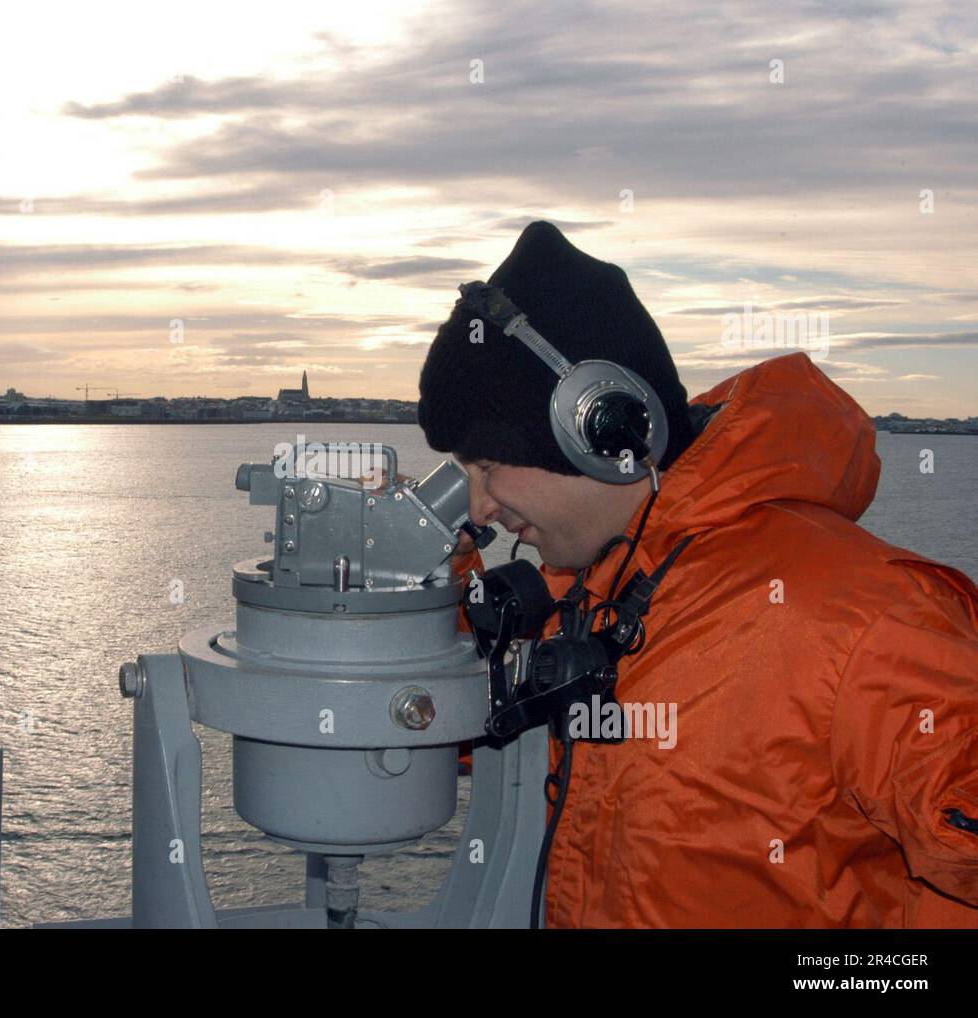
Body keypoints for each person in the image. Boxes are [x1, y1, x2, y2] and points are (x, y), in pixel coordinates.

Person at [418, 221, 978, 927]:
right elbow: (465, 718)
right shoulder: (594, 594)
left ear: (598, 432)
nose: (479, 506)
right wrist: (410, 596)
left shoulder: (863, 621)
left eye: (489, 465)